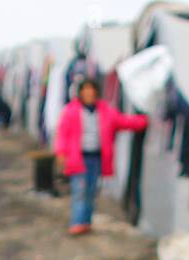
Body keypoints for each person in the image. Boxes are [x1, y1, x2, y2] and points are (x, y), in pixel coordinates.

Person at [53, 78, 147, 235]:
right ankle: (77, 221)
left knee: (91, 191)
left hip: (96, 158)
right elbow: (62, 134)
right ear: (81, 92)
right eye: (86, 89)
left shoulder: (105, 111)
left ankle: (86, 221)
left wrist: (144, 121)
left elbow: (123, 121)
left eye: (92, 89)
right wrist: (61, 152)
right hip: (78, 158)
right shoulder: (71, 111)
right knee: (79, 191)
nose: (89, 93)